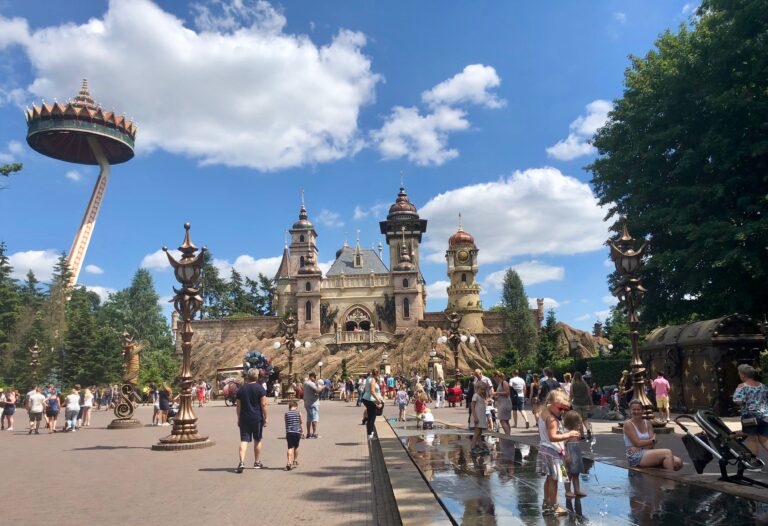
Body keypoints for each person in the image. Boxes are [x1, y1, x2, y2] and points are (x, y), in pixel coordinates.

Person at [536, 389, 580, 516]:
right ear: (551, 403)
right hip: (552, 451)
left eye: (564, 409)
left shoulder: (543, 412)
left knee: (549, 479)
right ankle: (555, 506)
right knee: (554, 480)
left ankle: (546, 502)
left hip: (545, 449)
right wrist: (569, 434)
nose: (562, 412)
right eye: (560, 408)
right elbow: (553, 437)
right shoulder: (552, 420)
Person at [623, 399, 683, 470]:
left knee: (678, 462)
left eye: (638, 409)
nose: (636, 412)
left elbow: (652, 444)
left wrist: (648, 442)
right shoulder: (628, 424)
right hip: (635, 455)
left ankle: (662, 477)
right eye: (634, 410)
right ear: (630, 411)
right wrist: (650, 441)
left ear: (643, 411)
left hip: (648, 452)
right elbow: (637, 443)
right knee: (667, 452)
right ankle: (670, 479)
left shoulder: (647, 423)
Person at [235, 368, 268, 473]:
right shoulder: (260, 389)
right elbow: (263, 404)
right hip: (257, 417)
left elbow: (238, 406)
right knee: (257, 439)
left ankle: (242, 462)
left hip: (244, 417)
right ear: (257, 377)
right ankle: (257, 462)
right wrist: (265, 417)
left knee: (244, 440)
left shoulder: (241, 389)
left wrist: (239, 418)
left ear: (247, 377)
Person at [732, 363, 768, 457]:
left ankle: (754, 462)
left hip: (749, 416)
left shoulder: (742, 386)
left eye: (739, 373)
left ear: (743, 375)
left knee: (751, 439)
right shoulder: (762, 386)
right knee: (764, 439)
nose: (739, 375)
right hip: (765, 415)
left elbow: (738, 400)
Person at [562, 410, 587, 498]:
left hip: (575, 457)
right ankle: (567, 491)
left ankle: (577, 490)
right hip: (568, 457)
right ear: (572, 424)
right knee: (567, 475)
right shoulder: (567, 434)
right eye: (579, 424)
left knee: (576, 473)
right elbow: (562, 445)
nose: (580, 426)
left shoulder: (575, 433)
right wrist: (566, 455)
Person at [569, 371, 594, 440]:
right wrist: (591, 403)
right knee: (585, 419)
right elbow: (589, 394)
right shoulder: (584, 384)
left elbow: (571, 395)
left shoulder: (573, 384)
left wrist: (569, 402)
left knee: (579, 419)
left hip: (576, 403)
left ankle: (582, 435)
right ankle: (588, 430)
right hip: (585, 403)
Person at [362, 369, 384, 439]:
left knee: (372, 415)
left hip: (367, 398)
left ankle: (370, 432)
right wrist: (378, 401)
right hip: (369, 399)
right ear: (376, 374)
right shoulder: (373, 380)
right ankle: (370, 434)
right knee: (372, 417)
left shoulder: (368, 378)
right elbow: (372, 391)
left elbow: (366, 389)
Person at [303, 372, 325, 439]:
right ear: (311, 377)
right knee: (315, 418)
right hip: (313, 403)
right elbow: (317, 390)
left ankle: (308, 433)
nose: (315, 379)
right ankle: (314, 434)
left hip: (307, 403)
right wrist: (323, 387)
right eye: (314, 377)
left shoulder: (305, 383)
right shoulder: (311, 383)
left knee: (309, 418)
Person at [470, 382, 489, 454]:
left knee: (479, 432)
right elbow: (472, 406)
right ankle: (473, 446)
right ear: (477, 388)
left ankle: (480, 446)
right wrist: (475, 417)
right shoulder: (475, 395)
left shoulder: (481, 396)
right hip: (477, 416)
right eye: (482, 389)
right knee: (477, 432)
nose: (483, 391)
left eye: (484, 390)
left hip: (481, 416)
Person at [284, 400, 302, 471]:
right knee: (296, 447)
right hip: (297, 432)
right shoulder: (299, 413)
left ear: (289, 407)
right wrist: (302, 432)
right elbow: (301, 423)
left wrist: (286, 432)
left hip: (289, 432)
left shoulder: (286, 414)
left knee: (289, 448)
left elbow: (286, 424)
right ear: (296, 407)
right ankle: (295, 460)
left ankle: (289, 462)